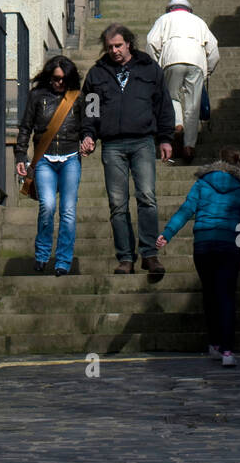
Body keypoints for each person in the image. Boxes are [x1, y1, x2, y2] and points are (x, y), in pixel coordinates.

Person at [80, 24, 175, 276]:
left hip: (143, 141)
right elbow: (90, 110)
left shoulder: (149, 68)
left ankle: (150, 255)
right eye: (110, 47)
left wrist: (165, 139)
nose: (114, 51)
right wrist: (88, 134)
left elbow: (164, 105)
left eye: (118, 45)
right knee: (117, 204)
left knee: (147, 197)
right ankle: (125, 258)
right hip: (112, 145)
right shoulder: (96, 74)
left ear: (129, 44)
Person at [156, 147, 240, 367]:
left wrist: (167, 233)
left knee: (210, 294)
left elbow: (186, 210)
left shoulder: (203, 183)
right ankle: (227, 351)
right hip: (228, 245)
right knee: (226, 297)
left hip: (203, 245)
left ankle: (213, 343)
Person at [15, 55, 84, 276]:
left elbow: (88, 124)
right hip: (44, 159)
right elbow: (26, 127)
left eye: (63, 80)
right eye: (55, 79)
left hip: (71, 157)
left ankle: (63, 260)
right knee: (47, 206)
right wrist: (20, 155)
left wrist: (88, 138)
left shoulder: (78, 97)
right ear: (48, 77)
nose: (59, 83)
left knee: (68, 210)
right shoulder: (36, 96)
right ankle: (42, 255)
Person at [146, 0, 220, 163]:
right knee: (193, 106)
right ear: (189, 9)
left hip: (172, 60)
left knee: (172, 96)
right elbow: (214, 48)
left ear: (170, 9)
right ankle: (189, 146)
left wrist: (156, 65)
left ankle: (177, 124)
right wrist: (207, 71)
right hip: (197, 63)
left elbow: (151, 42)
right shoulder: (199, 22)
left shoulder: (164, 19)